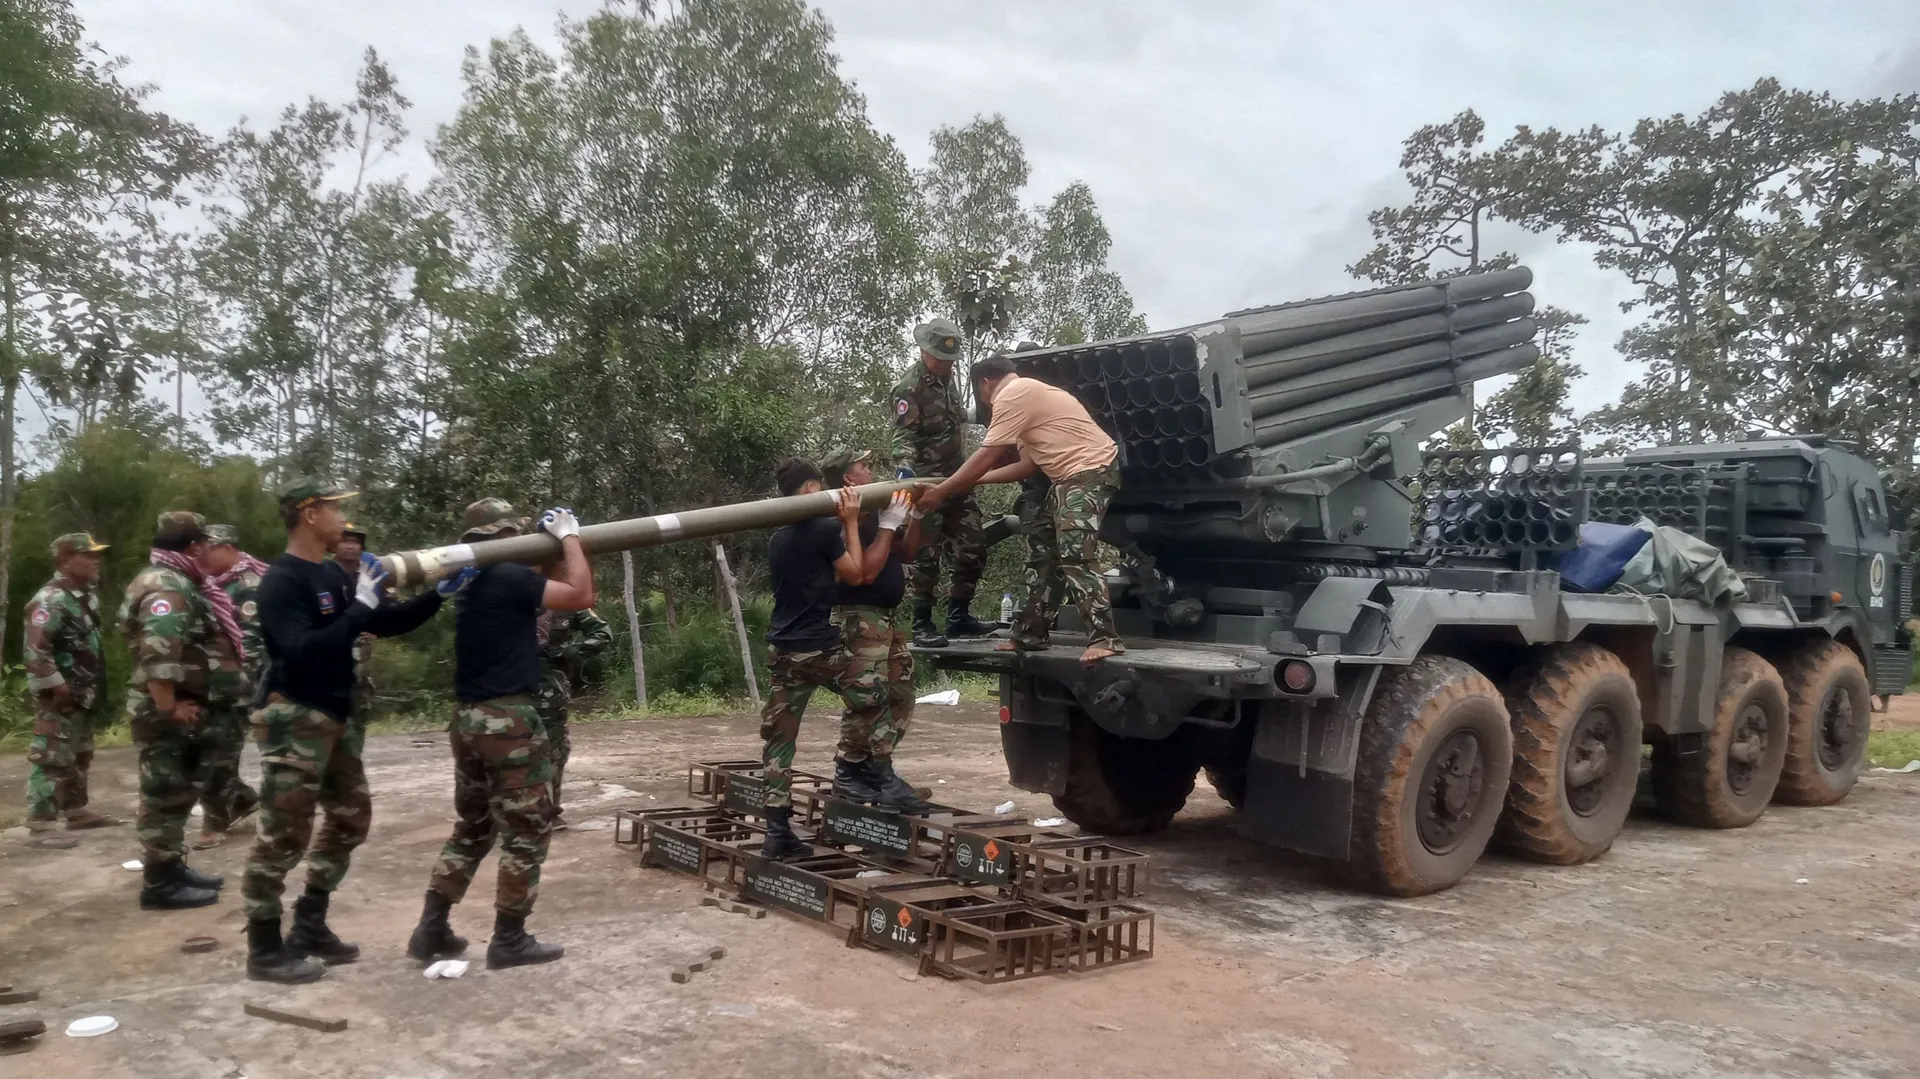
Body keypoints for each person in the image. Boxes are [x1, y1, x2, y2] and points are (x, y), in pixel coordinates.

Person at [243, 478, 446, 984]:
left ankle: (310, 924)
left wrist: (438, 596)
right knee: (283, 834)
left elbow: (384, 621)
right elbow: (302, 649)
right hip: (295, 717)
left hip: (336, 715)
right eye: (334, 509)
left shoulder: (332, 573)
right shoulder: (281, 581)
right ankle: (264, 949)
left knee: (351, 819)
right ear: (309, 514)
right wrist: (359, 606)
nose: (343, 519)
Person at [408, 499, 594, 971]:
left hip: (467, 719)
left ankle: (431, 927)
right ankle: (509, 938)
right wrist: (571, 537)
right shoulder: (508, 576)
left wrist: (552, 550)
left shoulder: (475, 579)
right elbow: (580, 595)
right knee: (529, 827)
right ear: (503, 535)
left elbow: (544, 586)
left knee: (473, 827)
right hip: (507, 720)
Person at [919, 355, 1125, 666]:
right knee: (1043, 553)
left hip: (1090, 470)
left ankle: (1105, 638)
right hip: (1067, 478)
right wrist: (975, 480)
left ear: (985, 382)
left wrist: (943, 490)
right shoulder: (1027, 398)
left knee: (1075, 554)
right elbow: (1026, 465)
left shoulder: (1012, 394)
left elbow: (986, 455)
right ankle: (1031, 633)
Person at [757, 458, 907, 860]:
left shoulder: (778, 538)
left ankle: (776, 832)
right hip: (819, 651)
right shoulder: (825, 530)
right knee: (875, 696)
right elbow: (856, 575)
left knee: (779, 741)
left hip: (781, 651)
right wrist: (853, 523)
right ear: (811, 489)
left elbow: (831, 573)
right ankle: (881, 779)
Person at [119, 511, 231, 910]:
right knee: (163, 796)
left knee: (178, 793)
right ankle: (159, 884)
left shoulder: (173, 579)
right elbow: (158, 649)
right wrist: (169, 707)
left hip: (179, 705)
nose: (208, 550)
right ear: (194, 547)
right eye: (205, 544)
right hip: (166, 714)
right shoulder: (169, 586)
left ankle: (171, 866)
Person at [821, 448, 925, 812]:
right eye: (864, 466)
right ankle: (866, 771)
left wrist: (916, 516)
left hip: (884, 619)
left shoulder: (877, 509)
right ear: (849, 478)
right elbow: (863, 573)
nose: (871, 470)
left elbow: (907, 553)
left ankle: (861, 768)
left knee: (900, 693)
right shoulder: (841, 518)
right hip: (857, 617)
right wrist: (886, 526)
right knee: (868, 698)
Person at [892, 317, 992, 647]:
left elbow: (950, 416)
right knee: (926, 555)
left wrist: (976, 415)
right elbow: (903, 436)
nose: (946, 364)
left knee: (973, 545)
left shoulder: (948, 378)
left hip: (957, 478)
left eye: (950, 359)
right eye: (940, 358)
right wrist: (905, 470)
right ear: (924, 351)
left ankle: (959, 617)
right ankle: (922, 623)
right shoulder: (909, 388)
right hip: (927, 483)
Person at [23, 532, 120, 840]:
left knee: (80, 752)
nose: (96, 561)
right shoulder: (49, 600)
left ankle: (75, 811)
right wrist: (57, 686)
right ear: (64, 560)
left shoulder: (84, 595)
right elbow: (36, 650)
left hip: (83, 691)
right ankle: (41, 822)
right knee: (51, 756)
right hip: (60, 693)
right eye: (87, 555)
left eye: (97, 555)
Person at [192, 523, 266, 848]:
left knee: (220, 751)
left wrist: (234, 682)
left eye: (208, 550)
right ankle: (242, 800)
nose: (201, 557)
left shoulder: (249, 585)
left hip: (237, 682)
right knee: (208, 749)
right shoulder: (210, 584)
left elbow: (251, 642)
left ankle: (214, 820)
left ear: (227, 549)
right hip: (210, 679)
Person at [535, 602, 612, 830]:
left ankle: (549, 811)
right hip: (508, 687)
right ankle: (506, 812)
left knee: (554, 749)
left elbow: (602, 633)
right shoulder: (506, 595)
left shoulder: (565, 603)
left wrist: (568, 652)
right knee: (507, 748)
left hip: (549, 692)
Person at [334, 522, 377, 722]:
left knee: (359, 707)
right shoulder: (323, 573)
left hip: (361, 654)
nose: (350, 546)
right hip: (331, 650)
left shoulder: (369, 575)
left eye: (355, 542)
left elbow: (387, 609)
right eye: (344, 541)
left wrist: (376, 630)